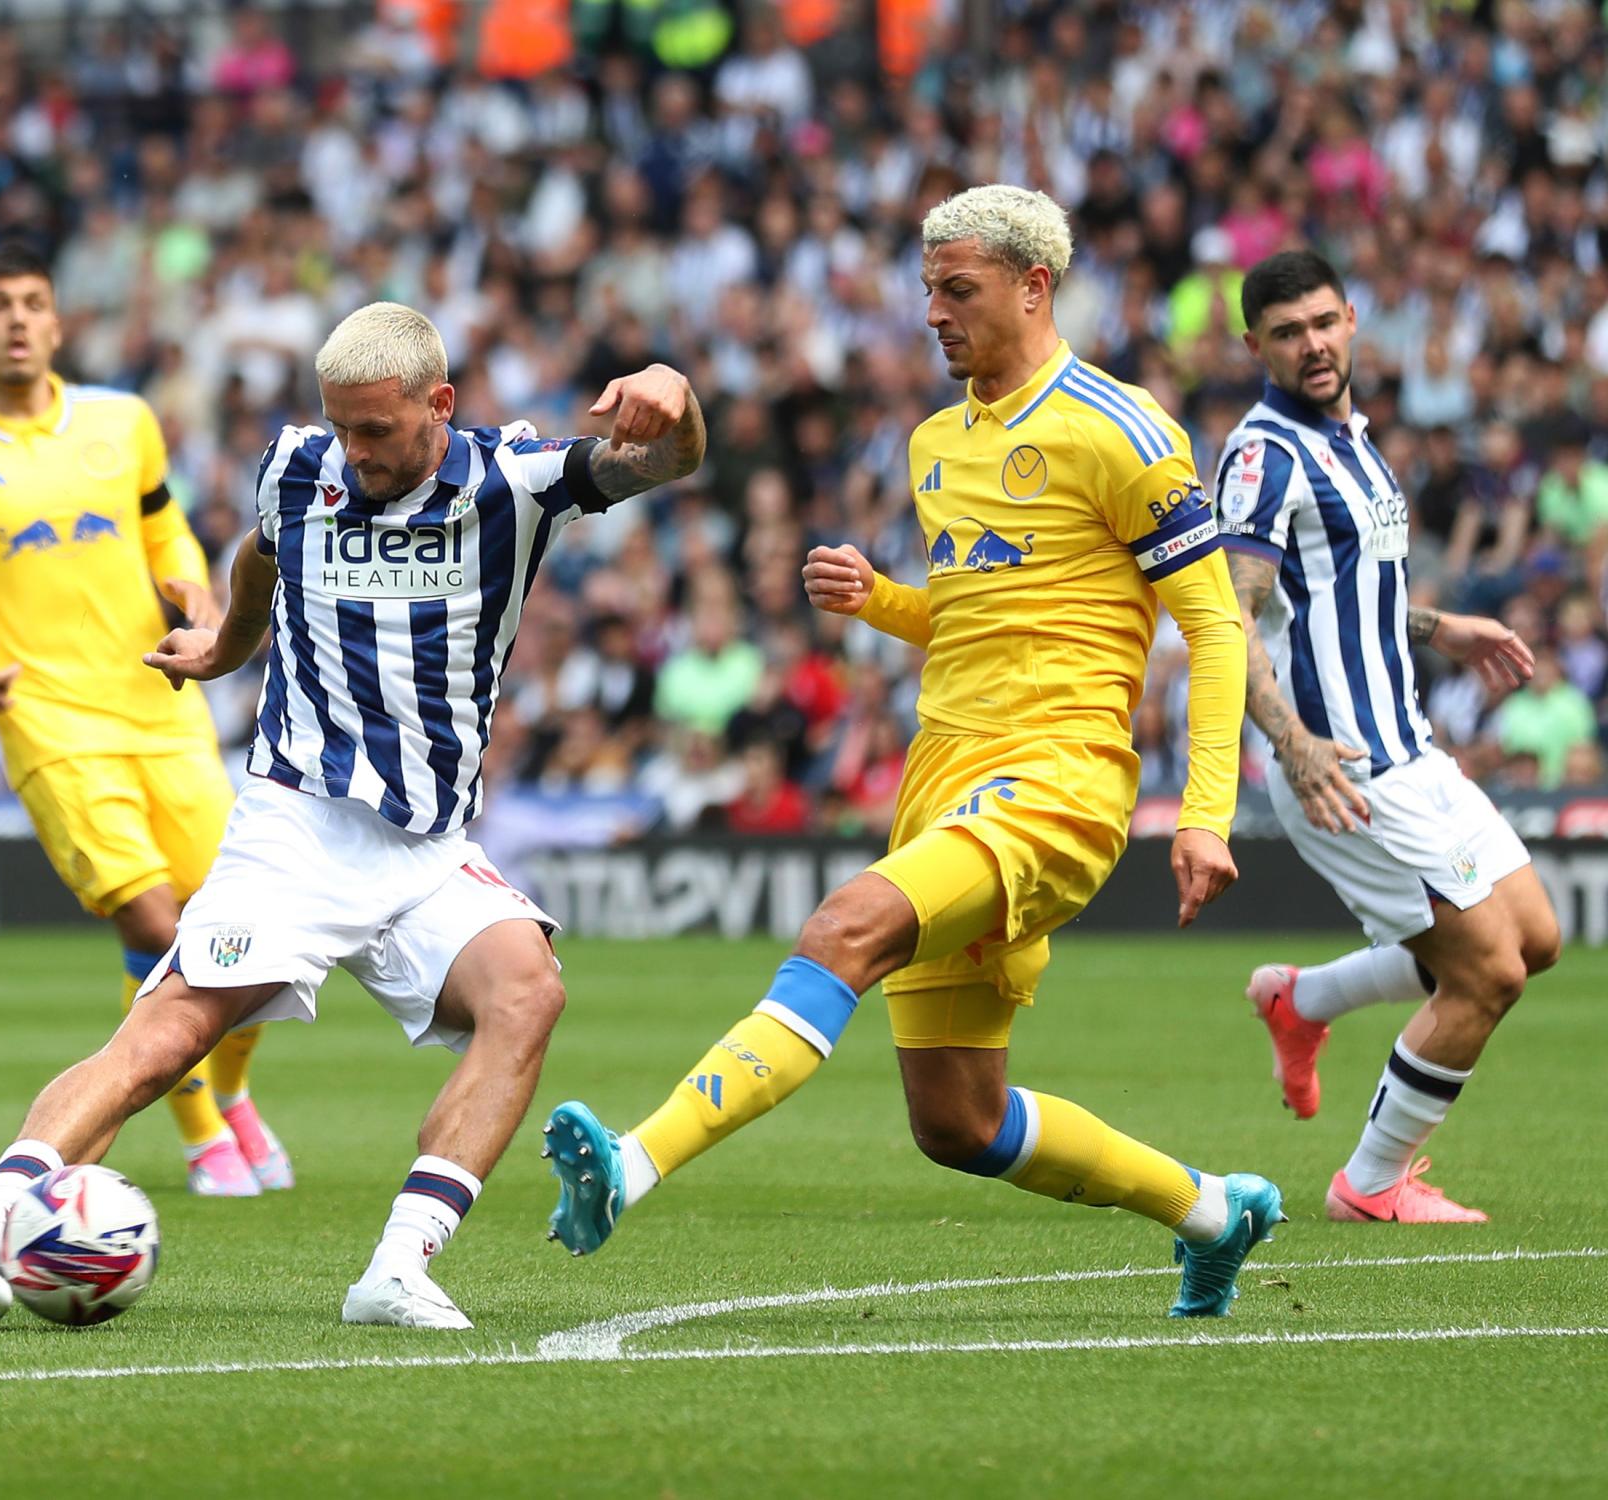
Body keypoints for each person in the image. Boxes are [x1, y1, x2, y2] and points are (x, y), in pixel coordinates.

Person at [544, 185, 1285, 1319]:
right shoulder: (936, 442)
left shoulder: (1120, 426)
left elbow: (1213, 625)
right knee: (957, 1122)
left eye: (958, 290)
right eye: (926, 290)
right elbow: (985, 610)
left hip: (1056, 780)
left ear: (1033, 287)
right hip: (946, 773)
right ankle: (1208, 1209)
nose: (931, 313)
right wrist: (884, 600)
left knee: (841, 928)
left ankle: (632, 1165)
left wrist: (1202, 812)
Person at [0, 301, 705, 1329]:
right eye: (341, 427)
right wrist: (222, 648)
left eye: (377, 429)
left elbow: (665, 463)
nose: (355, 452)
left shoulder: (514, 482)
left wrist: (674, 399)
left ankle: (397, 1269)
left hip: (427, 844)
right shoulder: (297, 466)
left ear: (439, 403)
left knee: (527, 991)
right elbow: (260, 554)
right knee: (161, 1045)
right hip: (297, 825)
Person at [0, 245, 289, 1199]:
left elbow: (163, 524)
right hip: (48, 722)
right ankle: (200, 1138)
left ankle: (230, 1091)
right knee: (160, 924)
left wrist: (190, 580)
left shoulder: (124, 421)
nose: (17, 319)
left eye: (33, 302)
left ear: (59, 322)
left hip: (162, 699)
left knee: (253, 931)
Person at [1216, 249, 1561, 1224]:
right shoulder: (1263, 454)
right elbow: (1231, 615)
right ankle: (1368, 1182)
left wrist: (1436, 626)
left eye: (1322, 322)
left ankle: (1302, 999)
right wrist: (1289, 743)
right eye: (1286, 332)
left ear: (1352, 319)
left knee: (1531, 938)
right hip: (1340, 762)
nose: (1311, 344)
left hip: (1406, 743)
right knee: (1484, 970)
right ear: (1255, 346)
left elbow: (1337, 589)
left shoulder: (1351, 438)